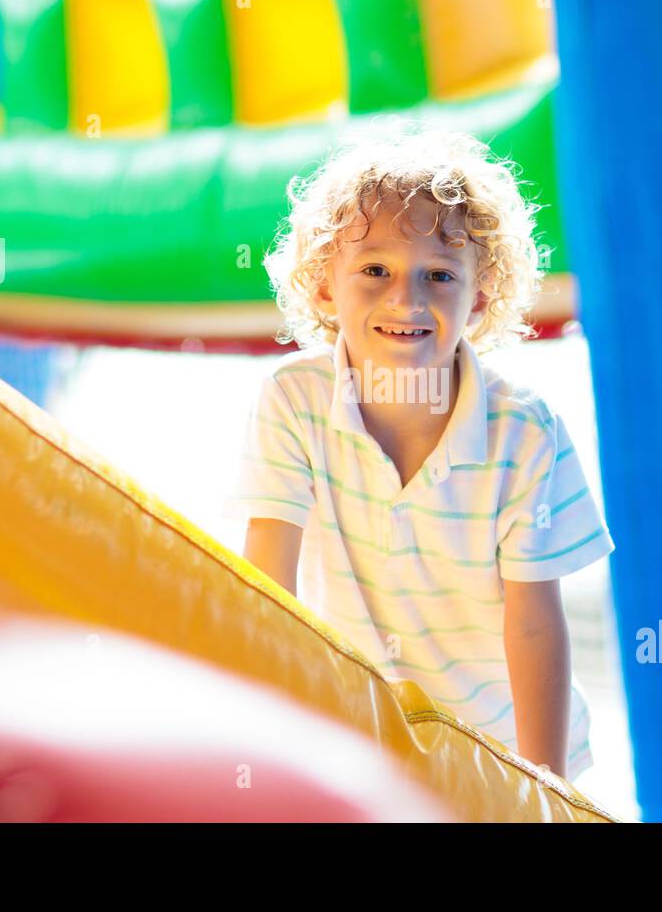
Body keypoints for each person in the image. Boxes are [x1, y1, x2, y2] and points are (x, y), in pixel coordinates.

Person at [224, 131, 613, 781]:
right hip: (359, 747)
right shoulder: (293, 402)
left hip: (500, 749)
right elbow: (268, 586)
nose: (408, 301)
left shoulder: (522, 433)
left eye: (440, 275)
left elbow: (535, 625)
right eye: (375, 270)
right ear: (323, 286)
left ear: (480, 297)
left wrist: (541, 789)